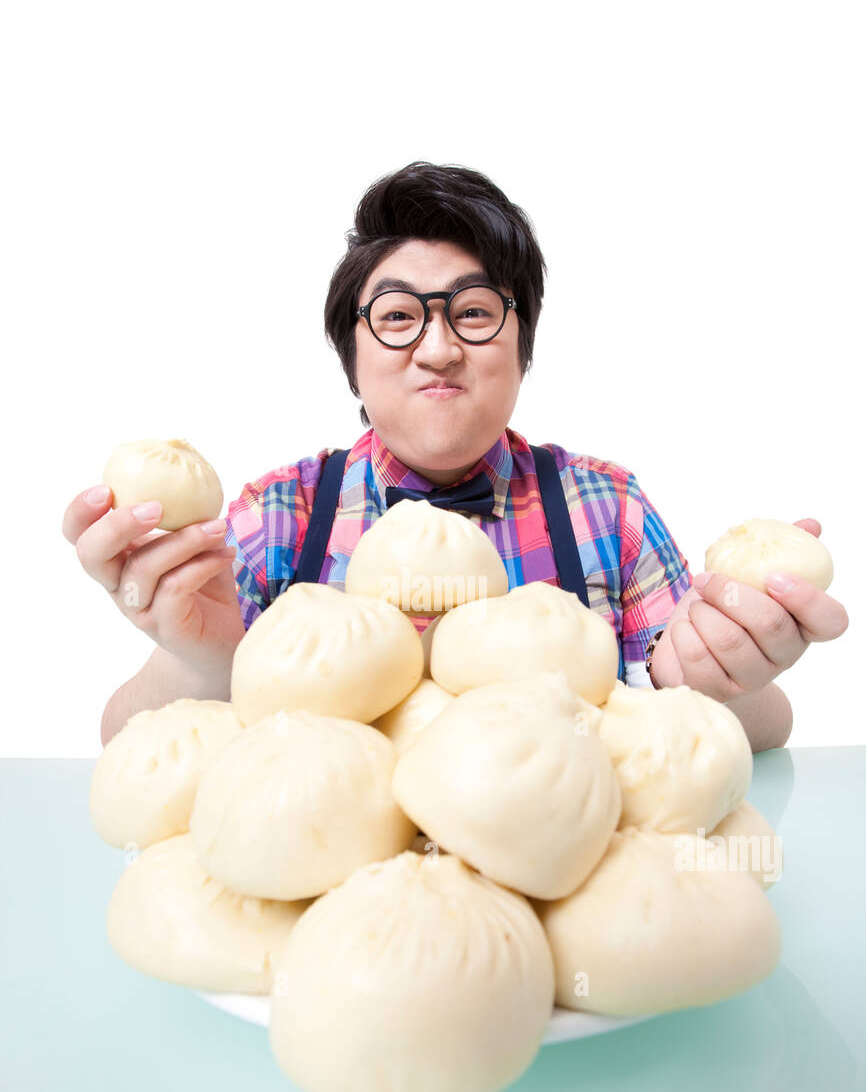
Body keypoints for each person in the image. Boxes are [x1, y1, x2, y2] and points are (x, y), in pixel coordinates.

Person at [62, 161, 848, 752]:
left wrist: (730, 678)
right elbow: (124, 739)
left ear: (522, 345)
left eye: (473, 312)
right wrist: (200, 664)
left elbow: (746, 723)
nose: (438, 349)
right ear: (353, 359)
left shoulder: (603, 507)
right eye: (399, 316)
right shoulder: (277, 517)